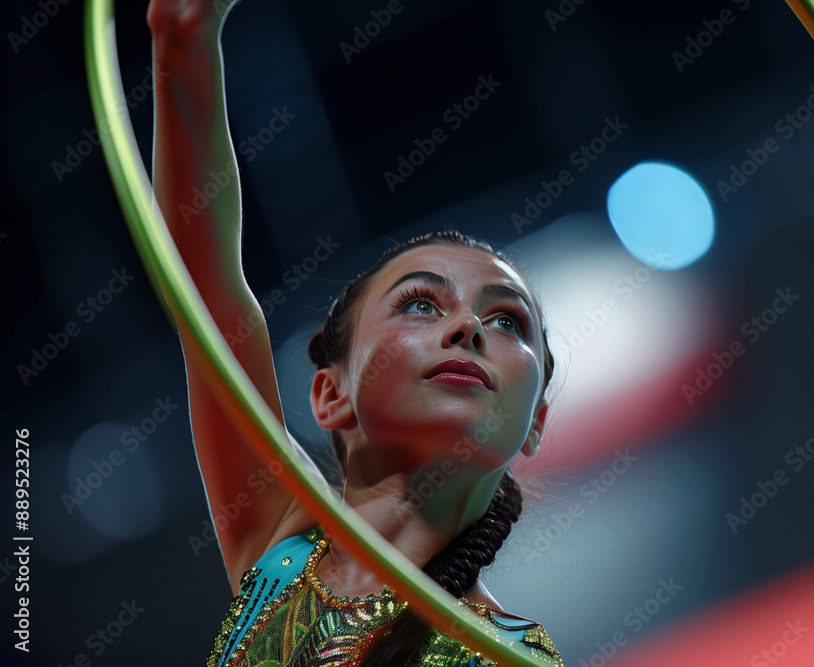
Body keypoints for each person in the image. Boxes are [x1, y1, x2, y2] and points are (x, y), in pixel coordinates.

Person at [147, 0, 565, 665]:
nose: (467, 325)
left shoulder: (509, 656)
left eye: (506, 320)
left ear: (537, 419)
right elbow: (203, 286)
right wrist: (183, 39)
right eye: (421, 304)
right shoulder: (280, 546)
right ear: (330, 394)